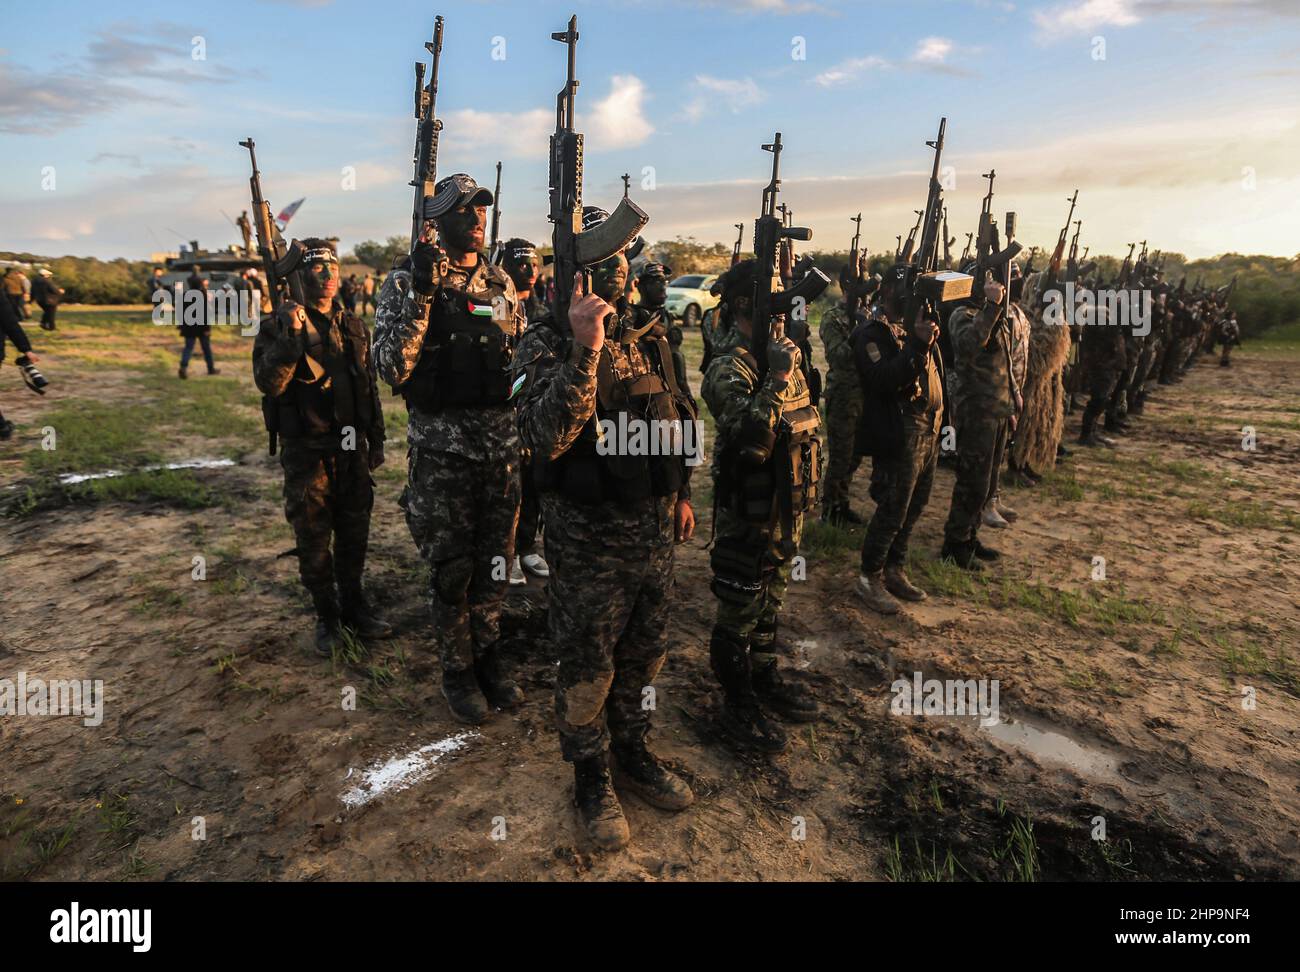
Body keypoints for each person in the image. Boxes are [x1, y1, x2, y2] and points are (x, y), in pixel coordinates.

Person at [514, 206, 698, 851]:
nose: (621, 267)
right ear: (579, 271)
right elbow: (545, 436)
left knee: (645, 655)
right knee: (588, 661)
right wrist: (583, 350)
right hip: (587, 536)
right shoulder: (543, 337)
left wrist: (680, 491)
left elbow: (677, 416)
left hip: (651, 530)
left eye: (625, 255)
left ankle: (634, 751)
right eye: (605, 258)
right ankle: (590, 773)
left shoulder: (651, 331)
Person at [374, 173, 526, 726]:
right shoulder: (403, 283)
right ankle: (457, 672)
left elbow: (519, 357)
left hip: (501, 453)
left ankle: (489, 659)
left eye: (481, 208)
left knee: (495, 567)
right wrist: (420, 292)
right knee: (450, 572)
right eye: (463, 210)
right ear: (435, 222)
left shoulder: (500, 282)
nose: (477, 217)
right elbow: (392, 366)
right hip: (443, 455)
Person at [702, 259, 822, 755]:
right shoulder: (727, 368)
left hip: (784, 507)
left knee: (772, 599)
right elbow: (750, 440)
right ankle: (737, 704)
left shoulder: (780, 354)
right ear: (740, 308)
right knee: (740, 608)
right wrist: (776, 378)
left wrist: (787, 368)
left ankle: (764, 674)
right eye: (767, 300)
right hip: (748, 512)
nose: (778, 309)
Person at [253, 239, 389, 656]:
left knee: (354, 535)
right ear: (300, 276)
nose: (328, 277)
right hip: (308, 451)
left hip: (352, 449)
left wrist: (377, 438)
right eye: (317, 269)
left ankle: (355, 606)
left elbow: (367, 385)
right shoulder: (277, 325)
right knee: (313, 539)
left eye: (332, 268)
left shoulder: (353, 324)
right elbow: (270, 384)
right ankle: (326, 617)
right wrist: (292, 337)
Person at [851, 263, 944, 613]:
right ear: (888, 290)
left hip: (929, 428)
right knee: (893, 507)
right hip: (901, 430)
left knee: (916, 504)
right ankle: (869, 576)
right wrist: (917, 347)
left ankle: (894, 568)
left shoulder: (917, 327)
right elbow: (883, 380)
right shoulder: (872, 334)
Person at [940, 272, 1015, 569]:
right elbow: (970, 345)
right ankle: (954, 542)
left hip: (996, 407)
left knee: (986, 484)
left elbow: (1004, 358)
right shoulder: (962, 315)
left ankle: (970, 536)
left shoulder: (990, 314)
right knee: (972, 481)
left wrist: (1013, 397)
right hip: (976, 409)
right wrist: (992, 307)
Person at [498, 238, 551, 585]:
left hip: (537, 410)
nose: (529, 271)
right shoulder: (498, 307)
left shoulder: (544, 312)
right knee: (508, 487)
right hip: (506, 409)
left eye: (533, 265)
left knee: (534, 483)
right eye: (521, 265)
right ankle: (507, 554)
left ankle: (528, 545)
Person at [818, 256, 877, 525]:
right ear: (846, 287)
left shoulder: (869, 315)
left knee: (854, 456)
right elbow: (839, 355)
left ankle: (842, 502)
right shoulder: (833, 318)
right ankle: (831, 509)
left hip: (865, 395)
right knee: (841, 457)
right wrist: (859, 329)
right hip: (843, 395)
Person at [178, 270, 218, 379]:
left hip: (189, 327)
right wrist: (207, 328)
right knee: (206, 349)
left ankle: (183, 367)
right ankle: (211, 369)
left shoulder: (184, 295)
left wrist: (181, 326)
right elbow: (206, 313)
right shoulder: (203, 295)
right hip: (201, 327)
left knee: (188, 348)